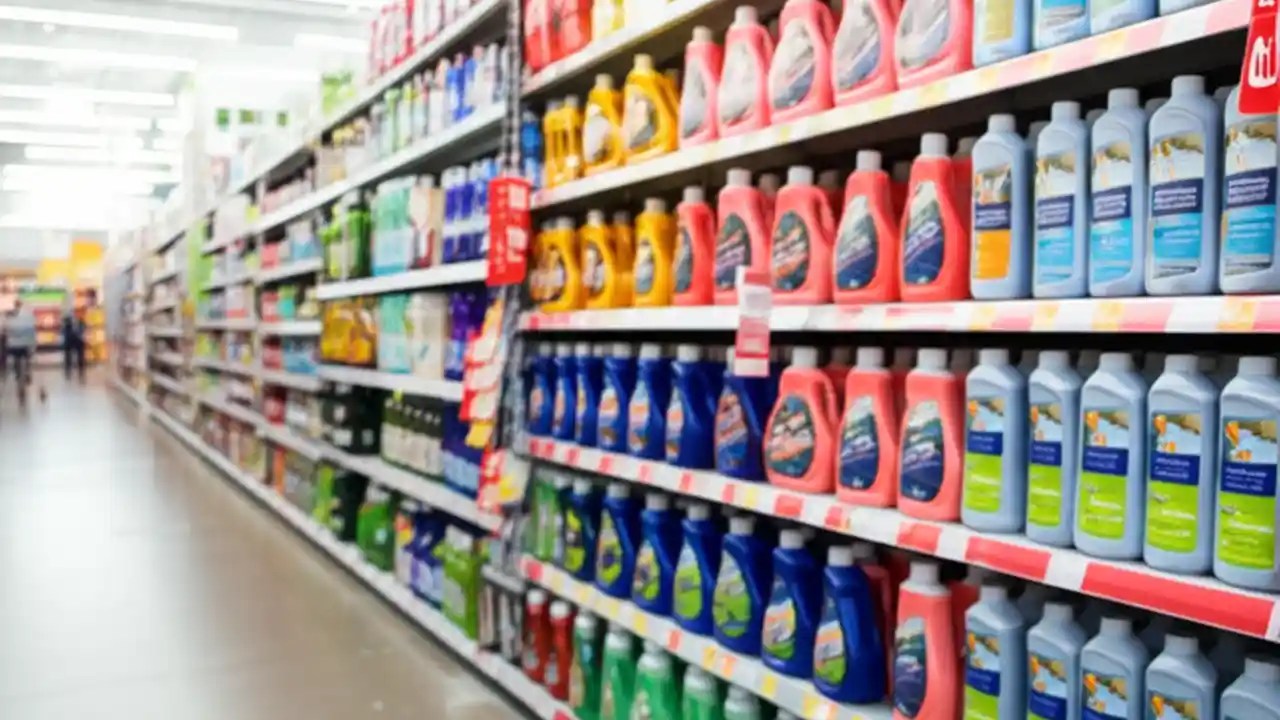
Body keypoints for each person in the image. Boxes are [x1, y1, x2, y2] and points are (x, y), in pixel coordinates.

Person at [6, 299, 37, 405]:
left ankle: (18, 374)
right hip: (25, 343)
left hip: (14, 344)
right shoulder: (27, 315)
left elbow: (7, 329)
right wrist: (33, 343)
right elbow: (32, 330)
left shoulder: (11, 315)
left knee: (17, 359)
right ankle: (26, 373)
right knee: (26, 358)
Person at [62, 310, 86, 381]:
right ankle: (68, 371)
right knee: (68, 357)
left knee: (80, 357)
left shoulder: (81, 322)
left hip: (78, 341)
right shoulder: (67, 321)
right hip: (69, 341)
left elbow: (83, 329)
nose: (75, 316)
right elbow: (64, 330)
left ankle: (81, 371)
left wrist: (80, 334)